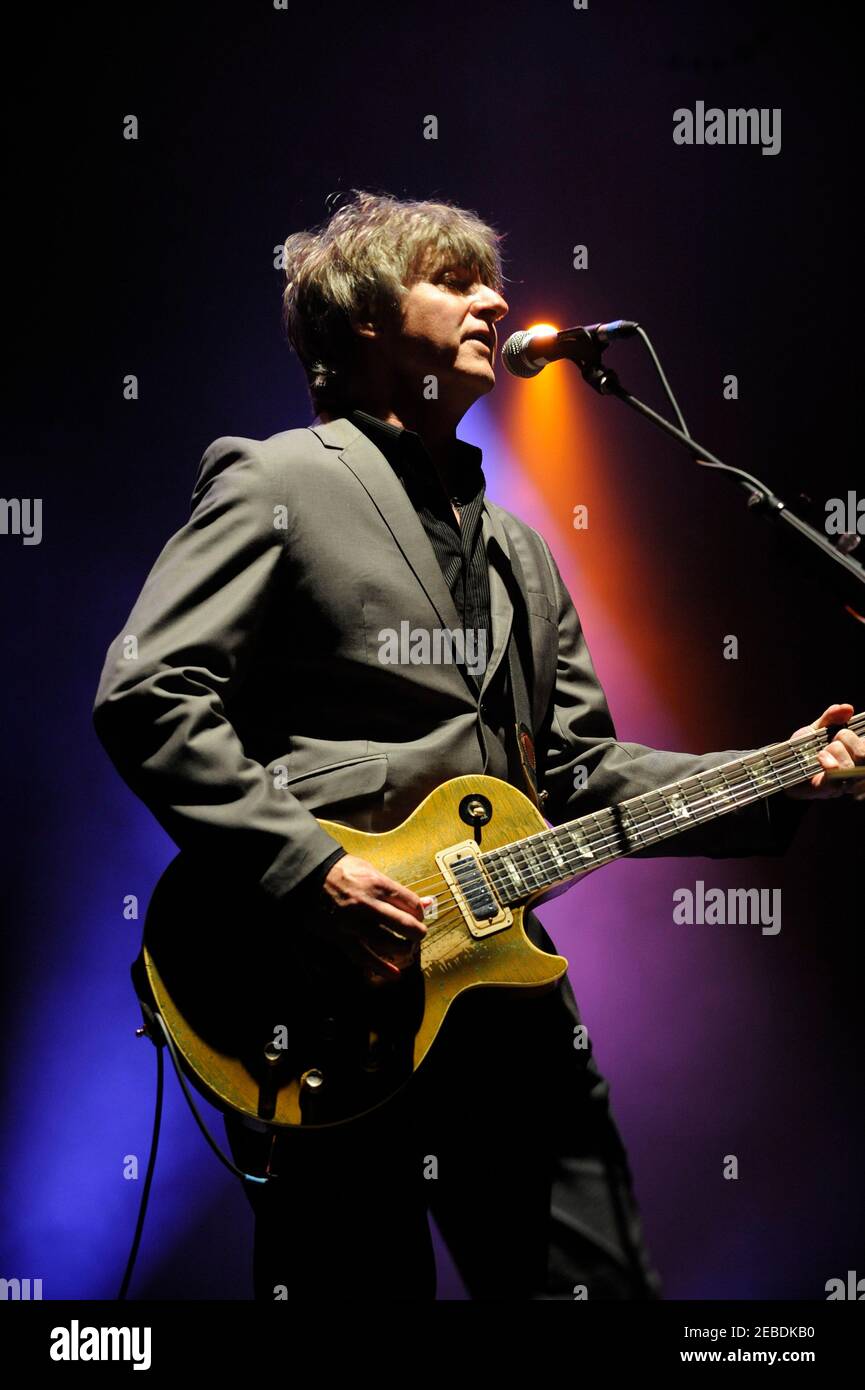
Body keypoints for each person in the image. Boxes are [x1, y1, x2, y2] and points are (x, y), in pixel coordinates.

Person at [92, 190, 864, 1301]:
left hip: (499, 999)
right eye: (452, 280)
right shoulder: (280, 483)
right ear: (361, 317)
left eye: (488, 281)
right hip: (322, 994)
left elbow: (584, 776)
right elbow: (148, 690)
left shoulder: (520, 552)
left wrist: (790, 767)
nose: (494, 300)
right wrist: (309, 871)